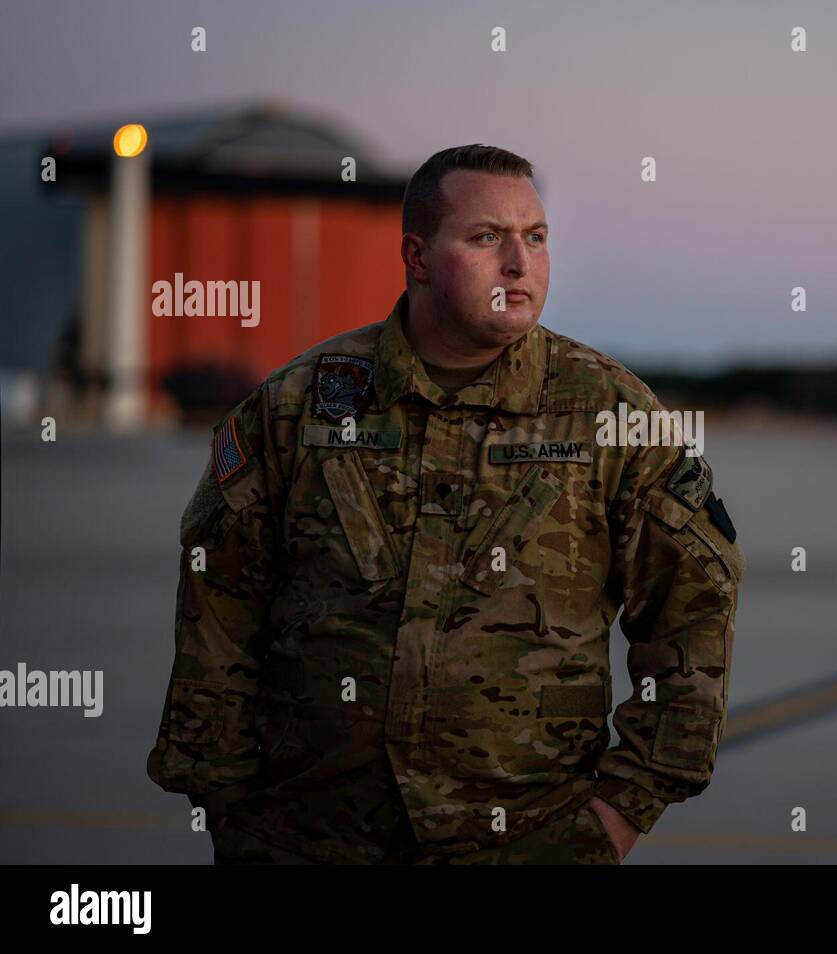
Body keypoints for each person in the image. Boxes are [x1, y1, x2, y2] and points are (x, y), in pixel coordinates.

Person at [145, 144, 744, 864]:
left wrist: (624, 809)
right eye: (487, 237)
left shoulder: (608, 412)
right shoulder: (299, 405)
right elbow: (219, 600)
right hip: (309, 838)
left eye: (537, 237)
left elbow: (694, 605)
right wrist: (224, 801)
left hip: (530, 840)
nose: (519, 263)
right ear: (418, 257)